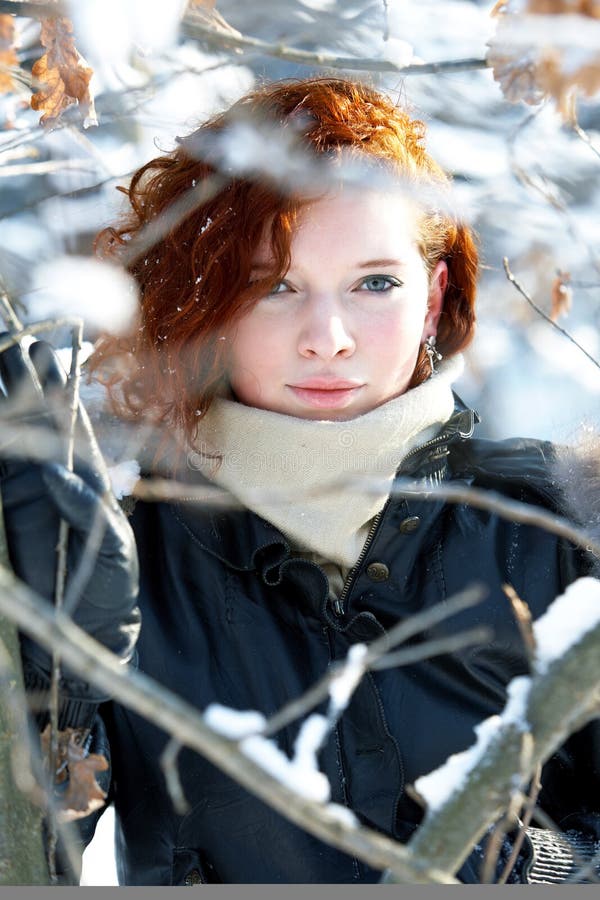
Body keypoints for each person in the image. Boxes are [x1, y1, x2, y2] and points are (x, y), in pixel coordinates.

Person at [1, 77, 598, 885]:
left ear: (433, 300)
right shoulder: (123, 555)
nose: (328, 337)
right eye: (274, 286)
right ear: (211, 304)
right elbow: (27, 864)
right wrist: (59, 673)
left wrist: (537, 874)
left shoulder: (564, 524)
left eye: (375, 283)